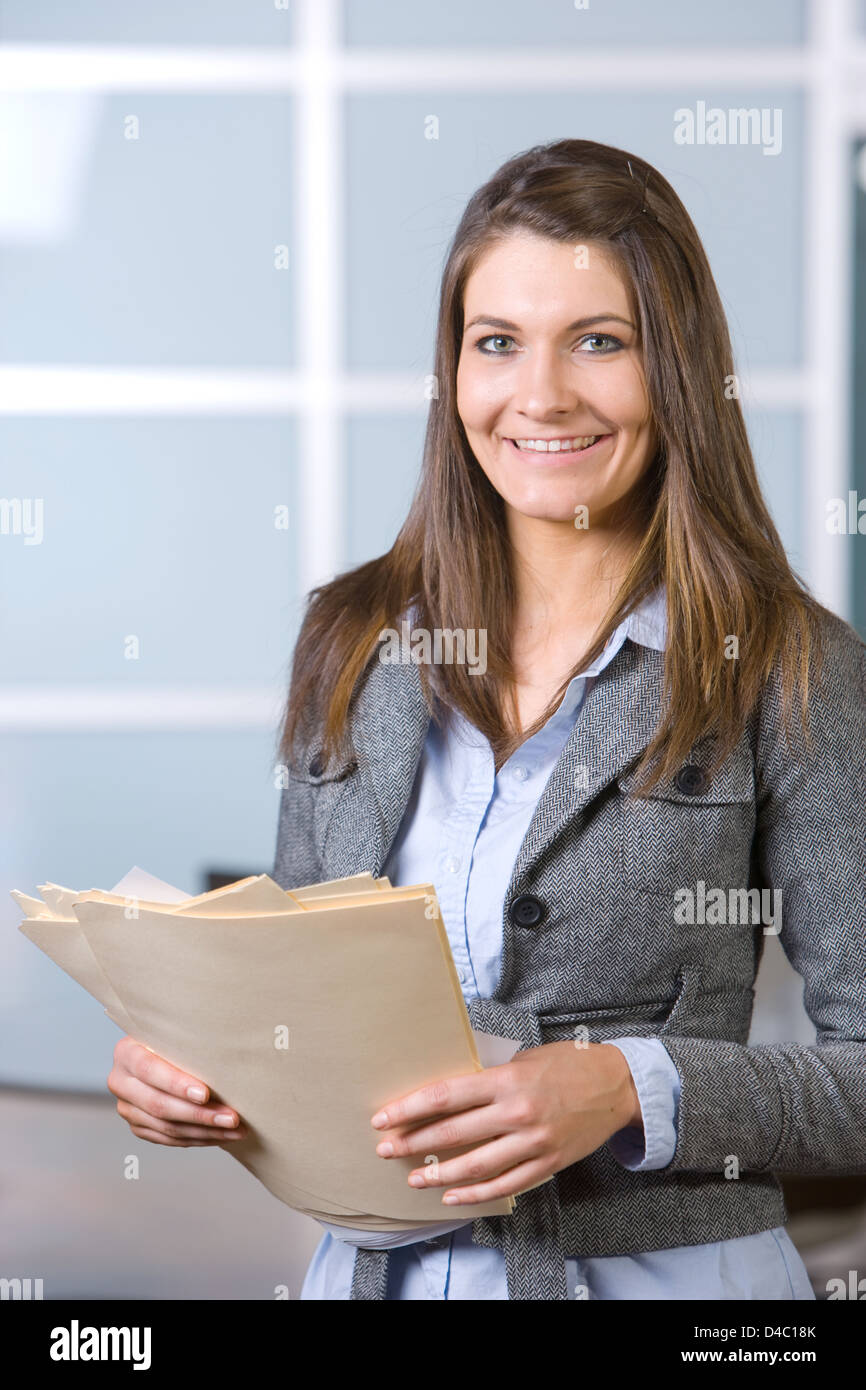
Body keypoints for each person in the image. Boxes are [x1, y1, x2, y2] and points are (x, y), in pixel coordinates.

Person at [108, 138, 866, 1301]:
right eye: (496, 342)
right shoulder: (350, 637)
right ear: (452, 370)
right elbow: (294, 1001)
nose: (540, 395)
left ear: (677, 368)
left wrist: (625, 1084)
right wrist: (201, 1067)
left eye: (598, 342)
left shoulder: (789, 667)